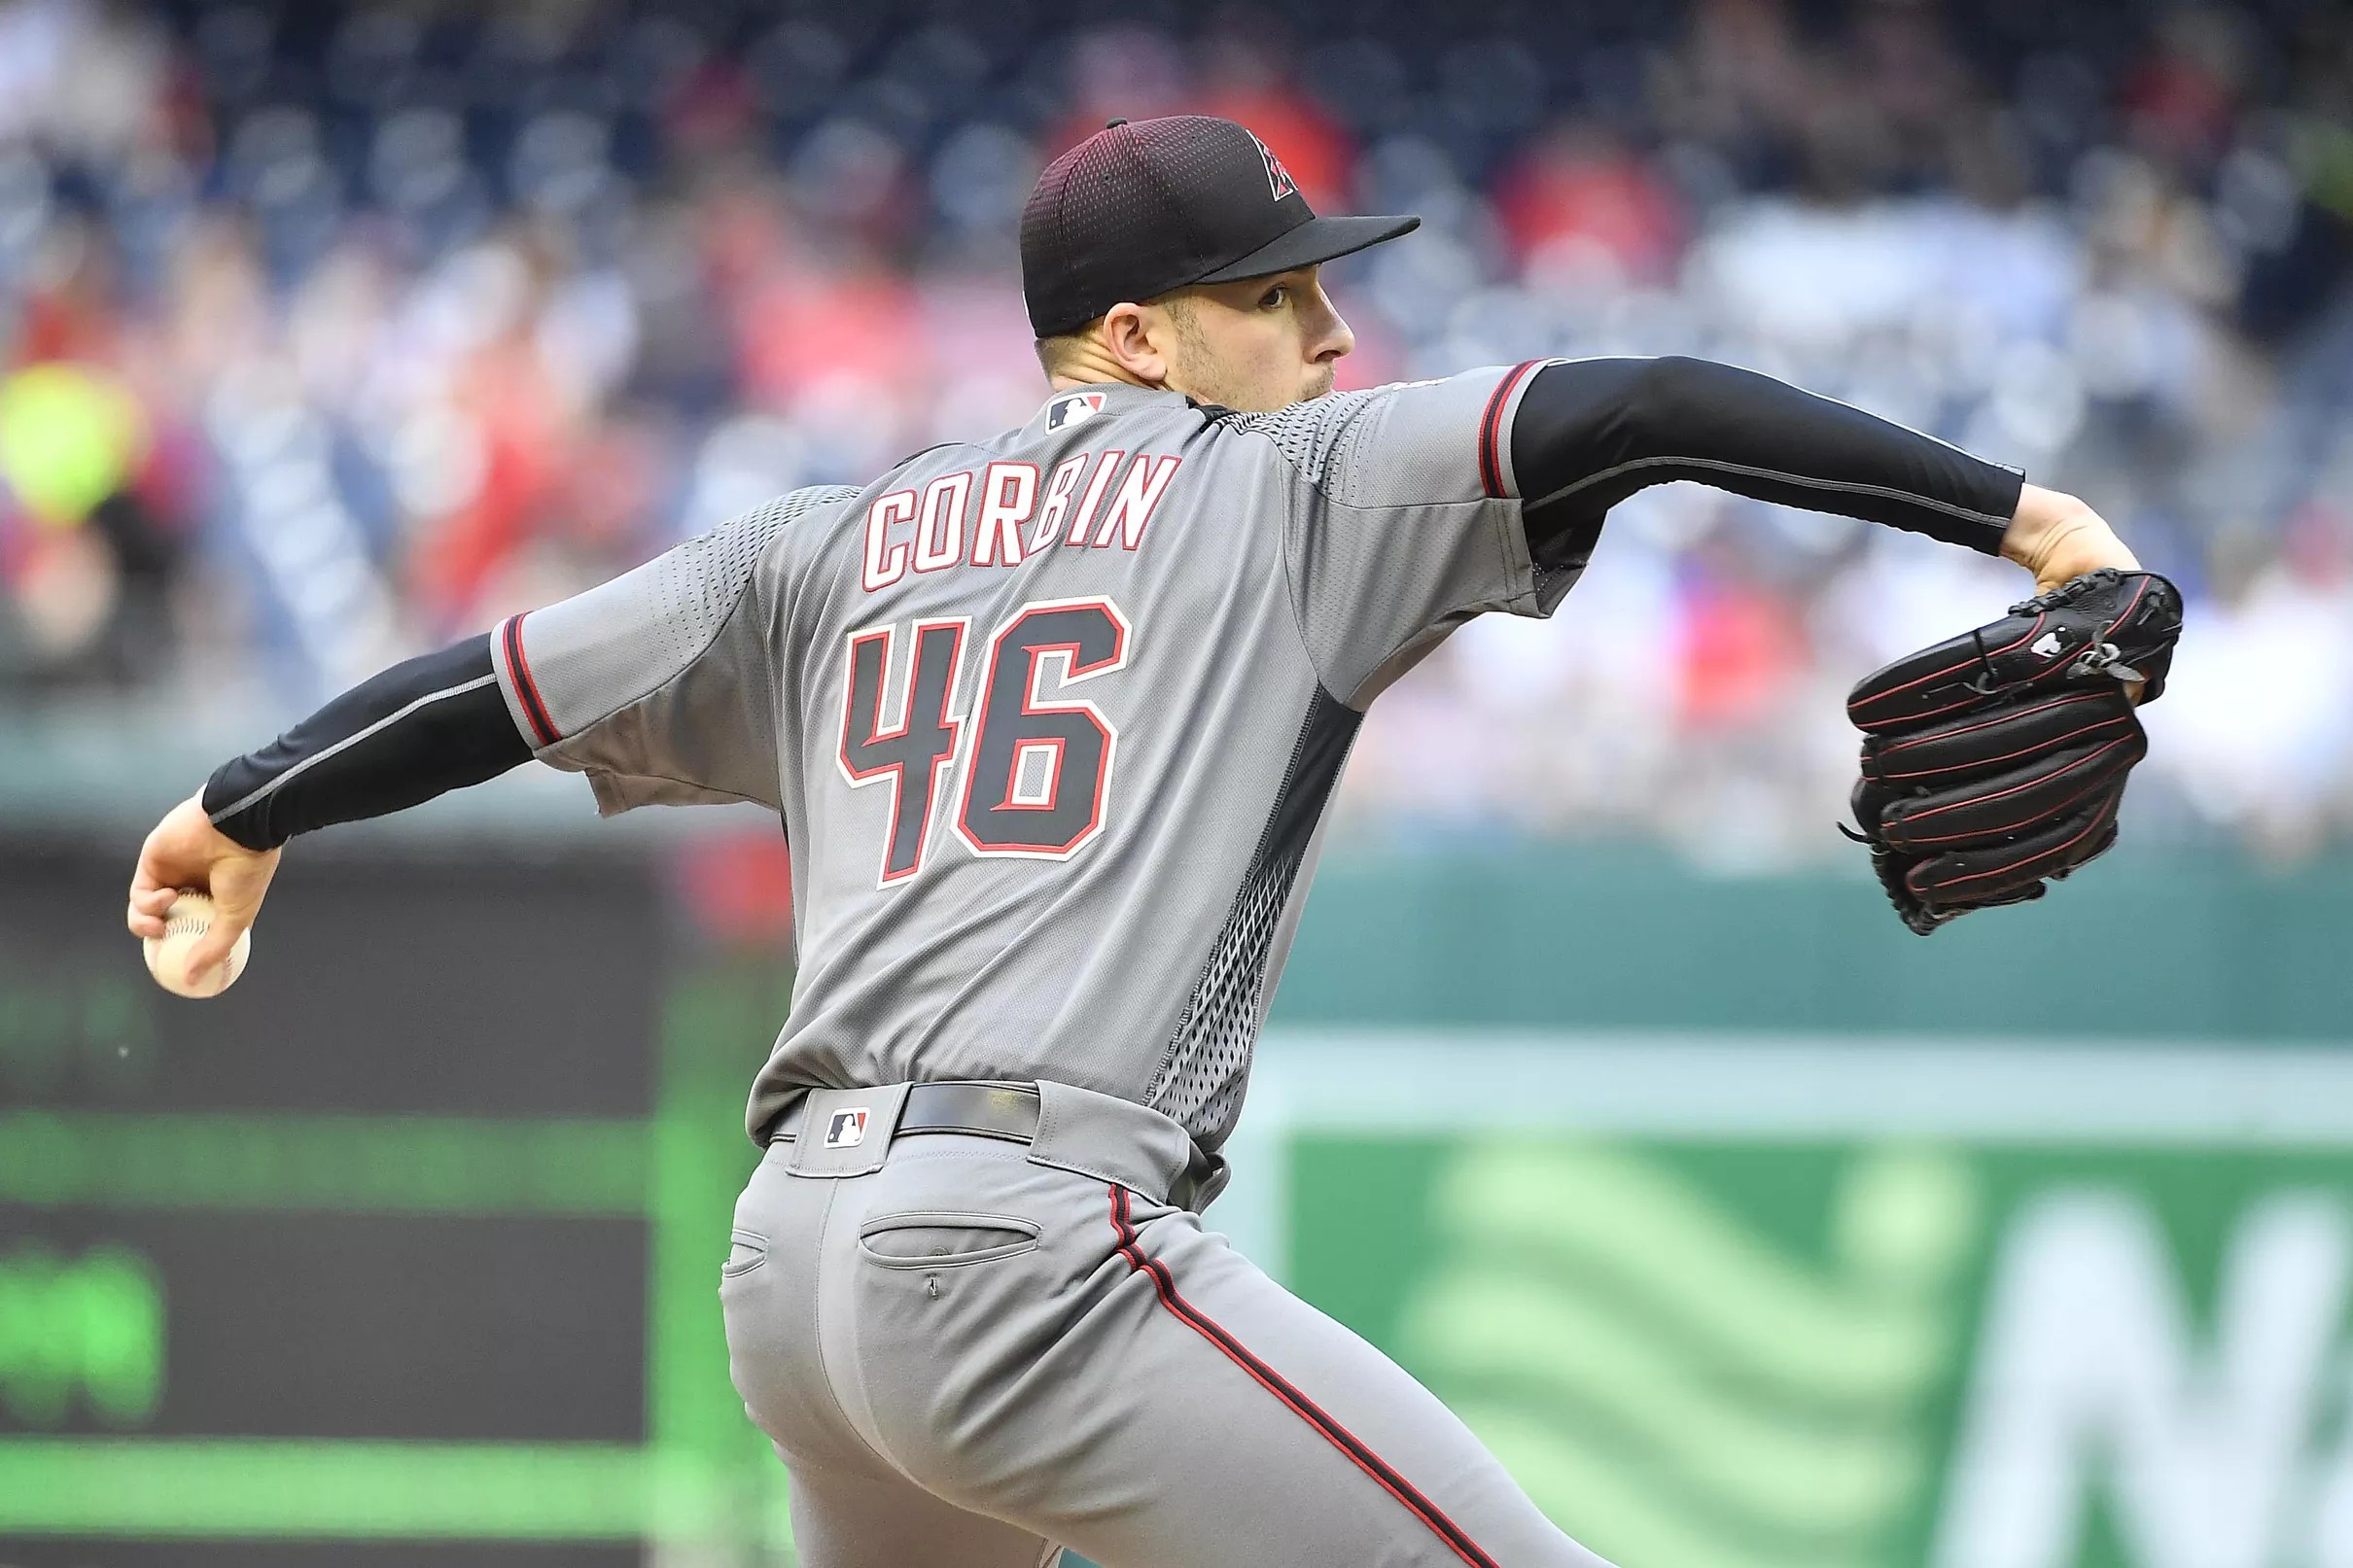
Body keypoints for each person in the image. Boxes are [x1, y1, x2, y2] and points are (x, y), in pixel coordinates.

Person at [126, 116, 2138, 1567]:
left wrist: (243, 808)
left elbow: (491, 684)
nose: (1335, 340)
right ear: (1137, 339)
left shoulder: (822, 541)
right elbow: (1649, 403)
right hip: (1018, 1255)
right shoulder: (1291, 489)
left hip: (793, 1279)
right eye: (1278, 296)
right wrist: (2028, 520)